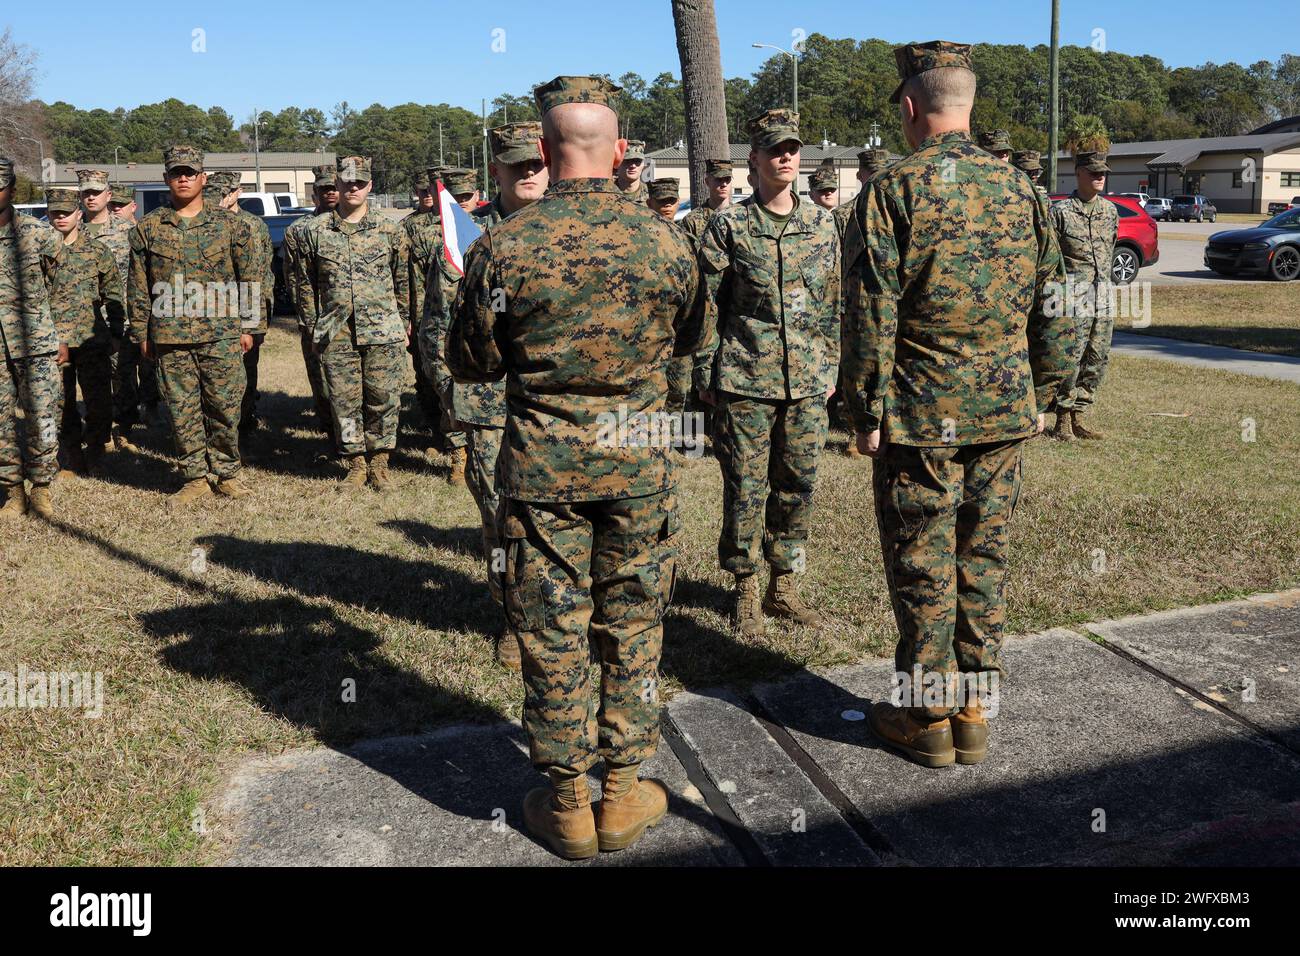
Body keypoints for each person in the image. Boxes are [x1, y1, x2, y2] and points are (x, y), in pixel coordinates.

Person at [447, 75, 705, 860]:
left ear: (549, 153)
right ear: (619, 153)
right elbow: (692, 338)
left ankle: (566, 803)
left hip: (544, 471)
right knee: (631, 625)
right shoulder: (668, 241)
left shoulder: (504, 247)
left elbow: (471, 364)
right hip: (639, 466)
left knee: (552, 632)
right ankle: (621, 795)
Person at [842, 40, 1070, 767]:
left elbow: (868, 312)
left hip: (919, 416)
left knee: (923, 565)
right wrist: (1047, 390)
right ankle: (975, 707)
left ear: (911, 108)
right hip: (1004, 411)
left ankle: (929, 717)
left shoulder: (891, 190)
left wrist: (863, 410)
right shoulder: (1025, 191)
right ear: (968, 106)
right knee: (984, 558)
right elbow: (1057, 304)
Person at [695, 108, 841, 638]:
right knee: (746, 486)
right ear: (752, 160)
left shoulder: (823, 224)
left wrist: (831, 365)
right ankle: (745, 589)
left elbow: (833, 303)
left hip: (806, 381)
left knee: (797, 485)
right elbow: (707, 305)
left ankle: (785, 584)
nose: (785, 157)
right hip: (744, 380)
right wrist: (705, 374)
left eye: (792, 149)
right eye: (774, 150)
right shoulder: (728, 225)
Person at [420, 121, 547, 669]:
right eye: (516, 164)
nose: (528, 174)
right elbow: (435, 326)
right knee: (500, 513)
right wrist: (452, 394)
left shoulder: (570, 230)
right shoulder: (467, 238)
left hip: (557, 401)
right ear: (494, 170)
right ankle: (514, 618)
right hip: (490, 403)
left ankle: (560, 611)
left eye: (536, 163)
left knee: (555, 511)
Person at [127, 145, 261, 505]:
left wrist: (248, 326)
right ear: (165, 178)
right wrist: (141, 332)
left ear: (203, 178)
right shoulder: (149, 227)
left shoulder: (231, 225)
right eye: (176, 173)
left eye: (190, 172)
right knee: (181, 408)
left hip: (220, 335)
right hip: (170, 337)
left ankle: (227, 472)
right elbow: (138, 285)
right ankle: (195, 477)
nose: (183, 178)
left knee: (225, 405)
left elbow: (249, 278)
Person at [295, 156, 409, 490]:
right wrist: (313, 325)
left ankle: (380, 462)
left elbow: (402, 280)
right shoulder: (315, 232)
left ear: (370, 186)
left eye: (360, 182)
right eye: (347, 182)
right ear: (338, 184)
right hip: (336, 332)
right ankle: (356, 462)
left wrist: (403, 321)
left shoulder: (390, 229)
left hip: (383, 329)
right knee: (344, 401)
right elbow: (305, 285)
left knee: (384, 398)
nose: (353, 187)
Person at [0, 157, 65, 520]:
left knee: (43, 417)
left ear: (10, 189)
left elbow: (61, 287)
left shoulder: (39, 235)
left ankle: (40, 488)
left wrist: (61, 335)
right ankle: (12, 490)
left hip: (35, 344)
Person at [46, 186, 121, 478]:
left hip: (92, 339)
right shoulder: (41, 250)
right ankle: (72, 455)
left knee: (99, 400)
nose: (61, 218)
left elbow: (113, 292)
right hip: (54, 340)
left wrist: (117, 332)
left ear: (79, 214)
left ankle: (97, 452)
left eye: (67, 212)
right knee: (61, 402)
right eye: (55, 213)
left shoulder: (96, 250)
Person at [79, 167, 152, 452]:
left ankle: (125, 429)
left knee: (123, 376)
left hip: (120, 316)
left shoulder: (128, 232)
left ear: (108, 195)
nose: (90, 198)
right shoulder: (72, 231)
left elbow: (143, 274)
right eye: (86, 193)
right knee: (93, 378)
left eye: (96, 192)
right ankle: (100, 429)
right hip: (83, 319)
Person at [1049, 150, 1118, 442]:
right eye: (1094, 172)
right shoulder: (1061, 212)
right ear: (1079, 173)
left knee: (1097, 356)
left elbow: (1111, 249)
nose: (1100, 177)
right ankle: (1062, 418)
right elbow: (1051, 258)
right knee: (1070, 357)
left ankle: (1080, 414)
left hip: (1102, 294)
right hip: (1073, 297)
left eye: (1103, 172)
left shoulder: (1110, 212)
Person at [209, 171, 274, 435]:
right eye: (219, 193)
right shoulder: (208, 224)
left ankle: (245, 425)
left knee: (246, 374)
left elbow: (263, 272)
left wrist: (258, 319)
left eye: (229, 192)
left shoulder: (254, 225)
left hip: (246, 310)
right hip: (214, 313)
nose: (224, 198)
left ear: (239, 191)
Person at [402, 166, 456, 460]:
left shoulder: (455, 224)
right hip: (424, 312)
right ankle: (436, 431)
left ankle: (455, 437)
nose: (427, 196)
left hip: (453, 313)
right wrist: (411, 317)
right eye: (422, 191)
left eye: (431, 191)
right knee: (426, 378)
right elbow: (408, 276)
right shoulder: (409, 227)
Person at [282, 164, 339, 434]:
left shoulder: (354, 225)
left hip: (348, 318)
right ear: (315, 193)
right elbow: (294, 278)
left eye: (333, 187)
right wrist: (307, 318)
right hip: (314, 315)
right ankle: (330, 429)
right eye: (323, 189)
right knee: (320, 377)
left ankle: (351, 435)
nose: (329, 193)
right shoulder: (298, 230)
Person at [679, 159, 732, 242]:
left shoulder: (741, 216)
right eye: (719, 179)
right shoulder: (692, 221)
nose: (724, 184)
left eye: (727, 179)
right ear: (707, 182)